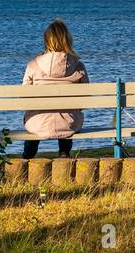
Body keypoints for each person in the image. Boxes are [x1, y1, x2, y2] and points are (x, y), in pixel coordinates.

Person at [20, 19, 89, 159]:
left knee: (36, 119)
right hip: (69, 123)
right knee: (67, 117)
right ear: (68, 40)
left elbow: (24, 97)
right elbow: (85, 98)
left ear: (46, 41)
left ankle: (27, 157)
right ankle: (64, 153)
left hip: (38, 122)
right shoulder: (79, 66)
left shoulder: (33, 65)